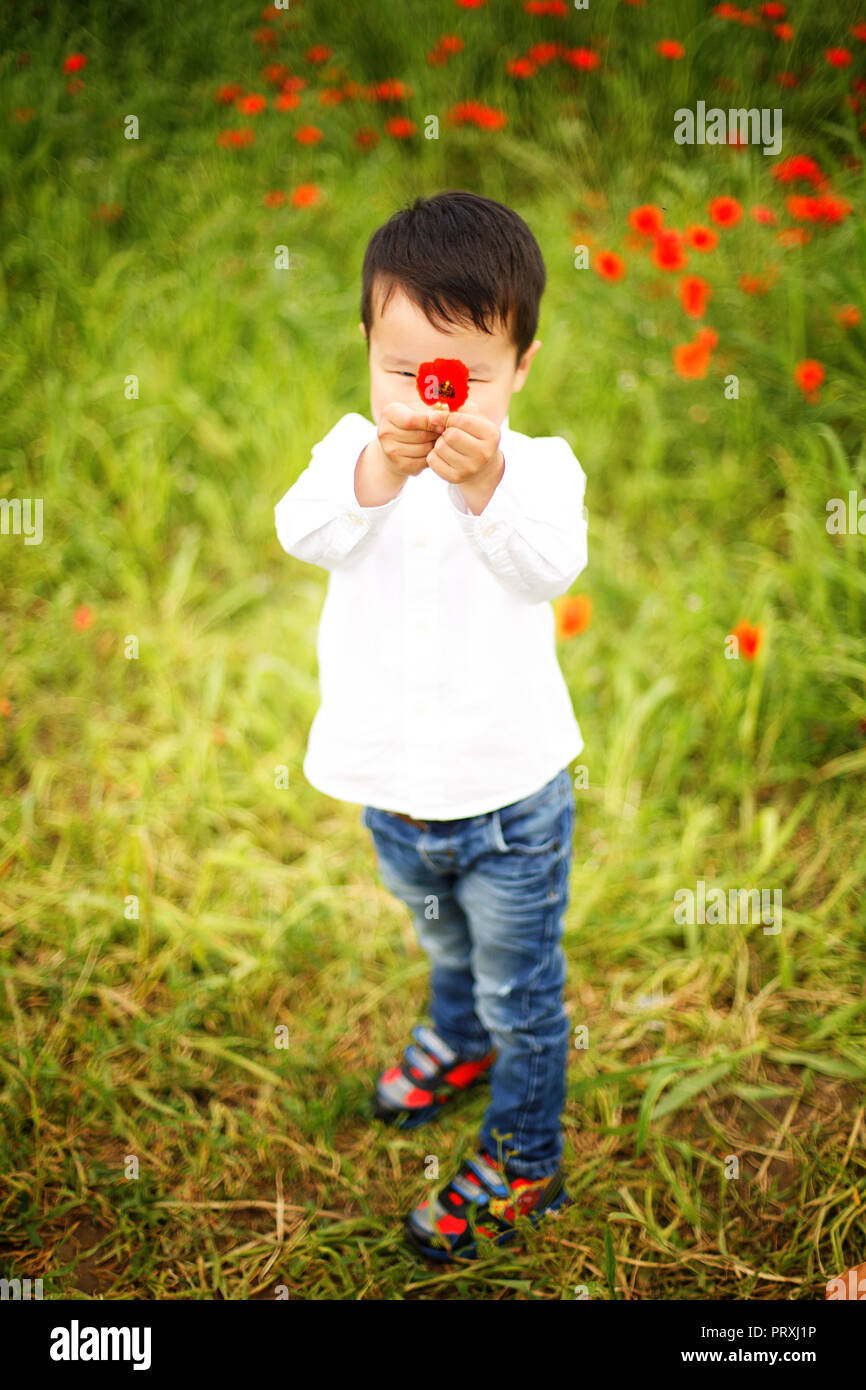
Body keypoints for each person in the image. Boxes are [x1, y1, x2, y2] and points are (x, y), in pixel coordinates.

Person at [274, 189, 589, 1262]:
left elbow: (549, 563)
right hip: (393, 795)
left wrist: (483, 483)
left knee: (521, 985)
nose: (432, 402)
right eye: (405, 374)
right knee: (438, 937)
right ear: (367, 348)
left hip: (509, 803)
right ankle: (454, 1038)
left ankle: (524, 1156)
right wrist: (380, 467)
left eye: (465, 378)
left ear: (520, 368)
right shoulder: (351, 456)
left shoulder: (537, 471)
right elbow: (302, 530)